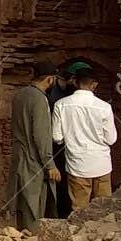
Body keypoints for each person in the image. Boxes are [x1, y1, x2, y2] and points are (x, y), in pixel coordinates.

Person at [51, 66, 118, 208]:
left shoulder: (60, 105)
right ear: (94, 84)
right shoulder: (104, 107)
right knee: (104, 208)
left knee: (79, 209)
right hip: (102, 164)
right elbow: (111, 139)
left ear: (75, 82)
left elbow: (57, 138)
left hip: (77, 164)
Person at [6, 61, 59, 231]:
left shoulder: (19, 95)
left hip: (19, 156)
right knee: (34, 203)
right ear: (50, 79)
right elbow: (41, 134)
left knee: (22, 202)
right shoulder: (39, 99)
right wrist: (50, 164)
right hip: (33, 159)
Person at [45, 60, 86, 218]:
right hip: (58, 148)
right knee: (60, 184)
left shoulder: (69, 94)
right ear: (72, 79)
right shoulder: (52, 94)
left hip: (72, 148)